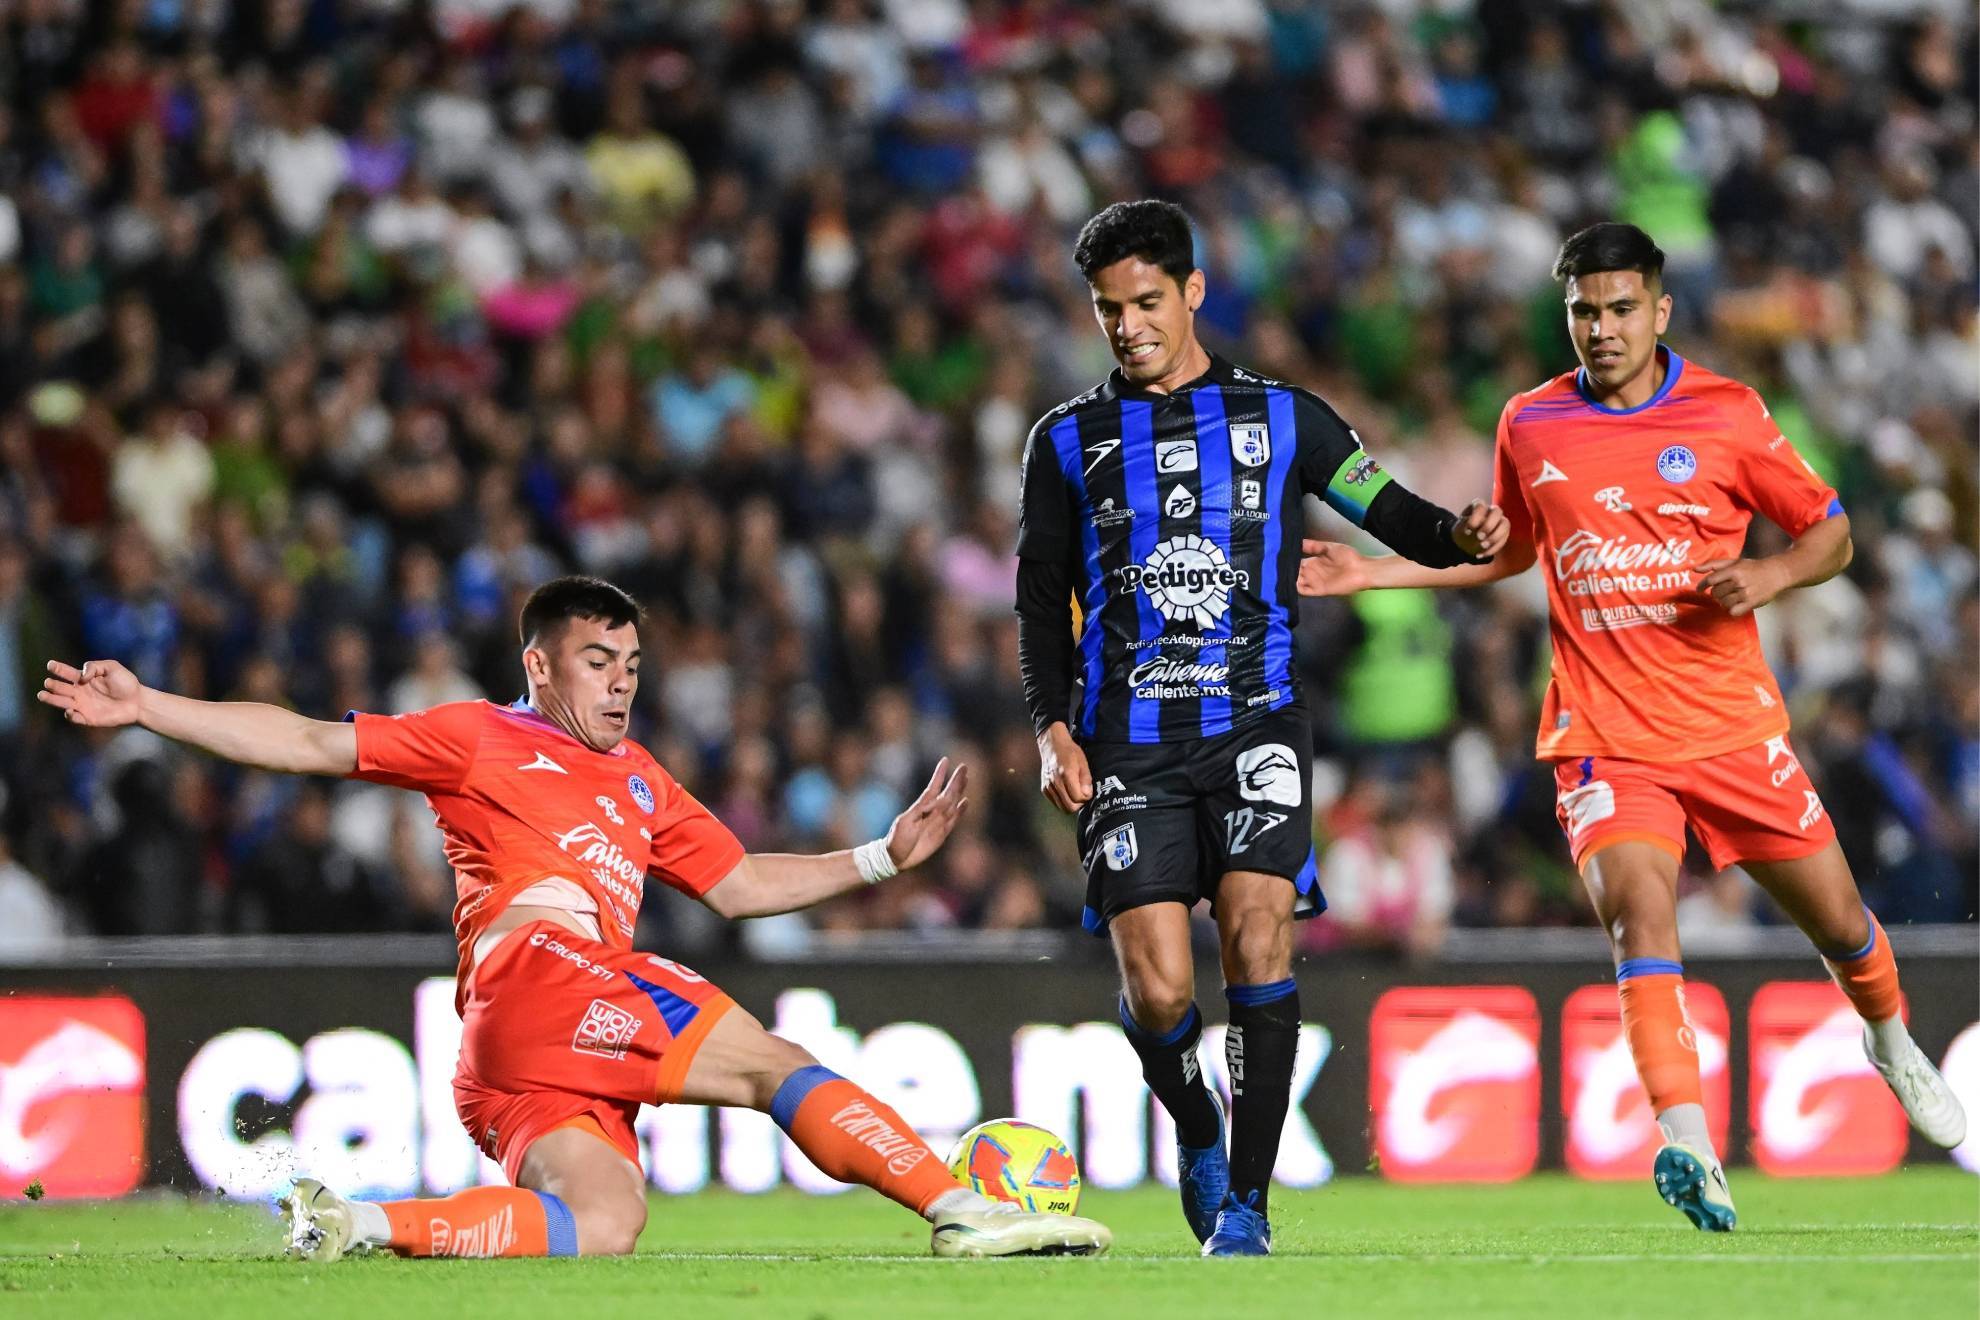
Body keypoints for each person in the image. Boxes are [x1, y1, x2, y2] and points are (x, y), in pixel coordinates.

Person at [41, 575, 1110, 1261]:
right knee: (771, 1061)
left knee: (604, 1226)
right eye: (598, 664)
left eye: (633, 667)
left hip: (506, 1056)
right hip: (544, 971)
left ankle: (360, 1222)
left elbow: (738, 884)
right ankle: (958, 1206)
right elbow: (313, 742)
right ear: (540, 665)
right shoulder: (478, 737)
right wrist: (148, 708)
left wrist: (881, 854)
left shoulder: (641, 780)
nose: (620, 686)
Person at [1295, 222, 1965, 1231]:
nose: (1600, 329)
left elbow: (1831, 529)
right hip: (1606, 737)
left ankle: (1889, 1039)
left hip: (1733, 729)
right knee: (1639, 922)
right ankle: (1688, 1145)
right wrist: (1380, 567)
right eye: (1582, 312)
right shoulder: (1531, 423)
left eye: (1618, 309)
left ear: (1659, 311)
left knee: (1838, 923)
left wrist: (1769, 575)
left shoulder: (1729, 414)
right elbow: (1517, 551)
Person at [1015, 200, 1504, 1256]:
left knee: (1258, 936)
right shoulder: (1064, 438)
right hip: (1127, 740)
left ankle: (1247, 1206)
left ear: (1193, 292)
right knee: (1156, 988)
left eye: (1147, 302)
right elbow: (1038, 593)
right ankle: (1196, 1122)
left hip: (1255, 726)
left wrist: (1458, 536)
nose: (1129, 326)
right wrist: (1053, 727)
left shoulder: (1285, 416)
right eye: (1109, 310)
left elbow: (1393, 510)